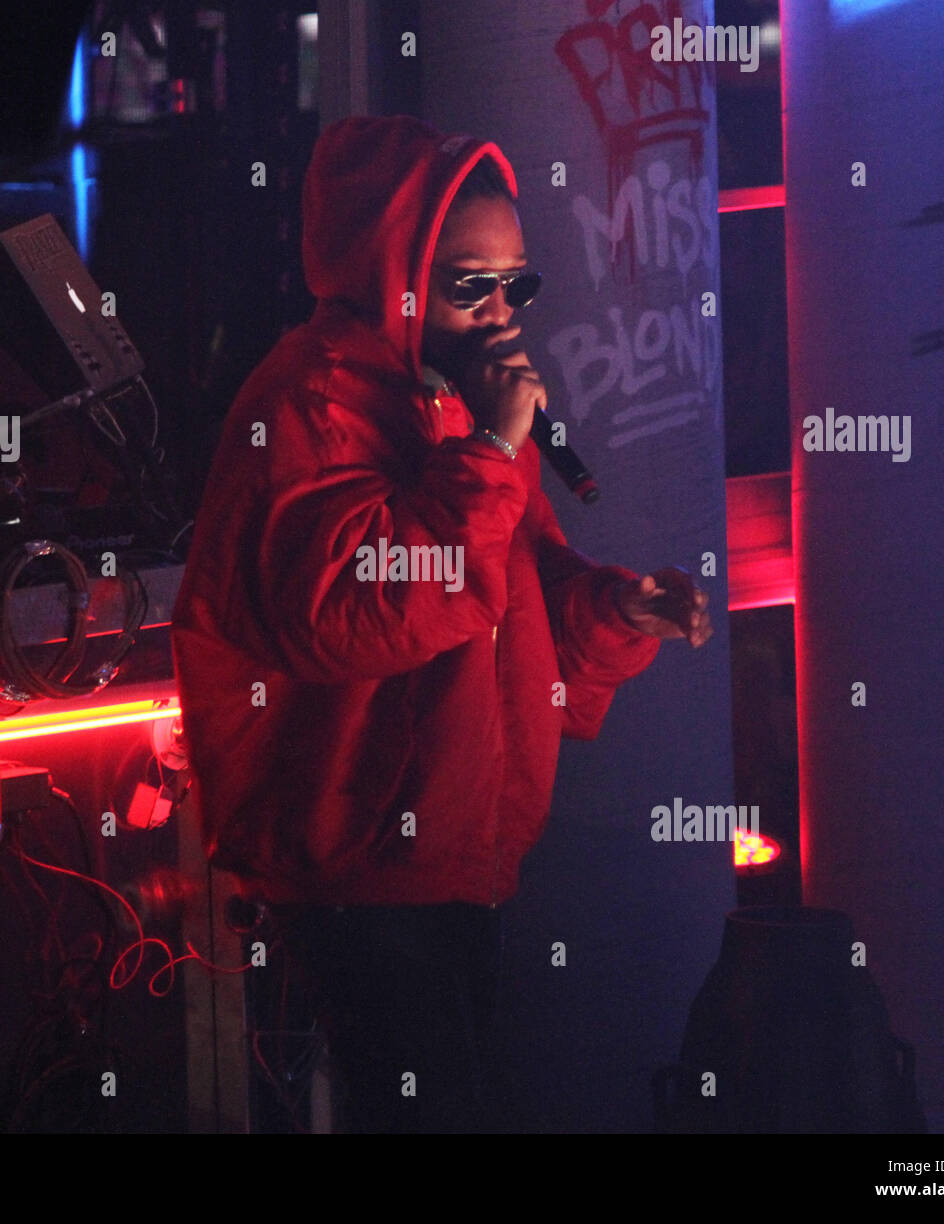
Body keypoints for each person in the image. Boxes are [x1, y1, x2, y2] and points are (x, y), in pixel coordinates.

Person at [171, 114, 712, 1133]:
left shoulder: (455, 401)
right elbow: (357, 613)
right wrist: (495, 455)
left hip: (452, 839)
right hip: (357, 853)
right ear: (394, 268)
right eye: (471, 285)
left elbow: (522, 584)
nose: (503, 313)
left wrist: (614, 609)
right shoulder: (308, 403)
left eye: (518, 284)